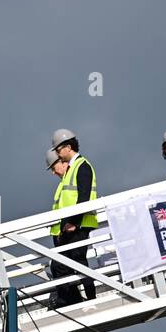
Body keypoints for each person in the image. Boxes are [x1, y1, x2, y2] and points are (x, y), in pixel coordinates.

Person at [49, 128, 99, 307]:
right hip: (72, 226)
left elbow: (84, 197)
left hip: (79, 225)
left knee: (76, 262)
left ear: (68, 147)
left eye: (58, 149)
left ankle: (89, 299)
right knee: (65, 265)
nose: (56, 153)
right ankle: (72, 299)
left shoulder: (82, 166)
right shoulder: (71, 169)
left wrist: (74, 223)